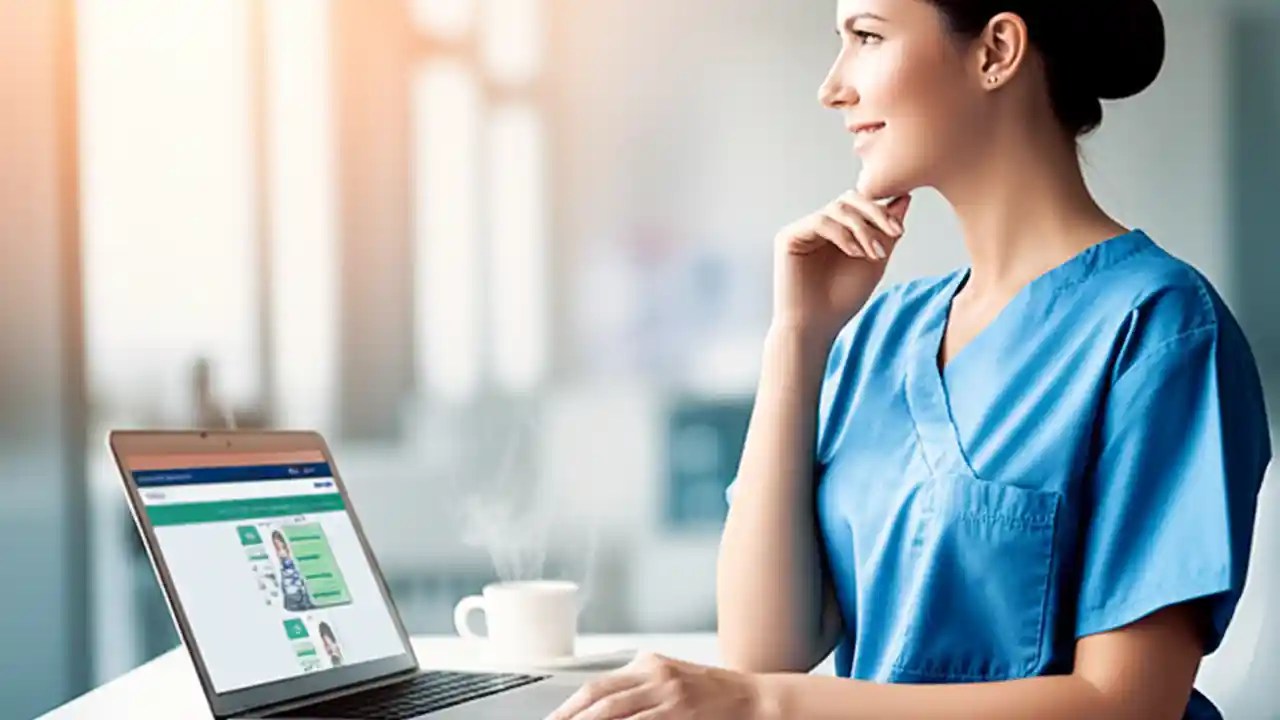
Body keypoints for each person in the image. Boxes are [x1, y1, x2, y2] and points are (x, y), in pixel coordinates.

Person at [546, 1, 1272, 719]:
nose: (832, 87)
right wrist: (797, 337)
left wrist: (765, 704)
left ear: (995, 52)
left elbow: (1127, 704)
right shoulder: (880, 332)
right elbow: (763, 650)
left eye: (866, 37)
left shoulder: (1158, 328)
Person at [273, 530, 314, 612]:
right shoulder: (279, 565)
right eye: (278, 548)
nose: (281, 551)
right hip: (291, 600)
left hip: (303, 597)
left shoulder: (296, 561)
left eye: (283, 547)